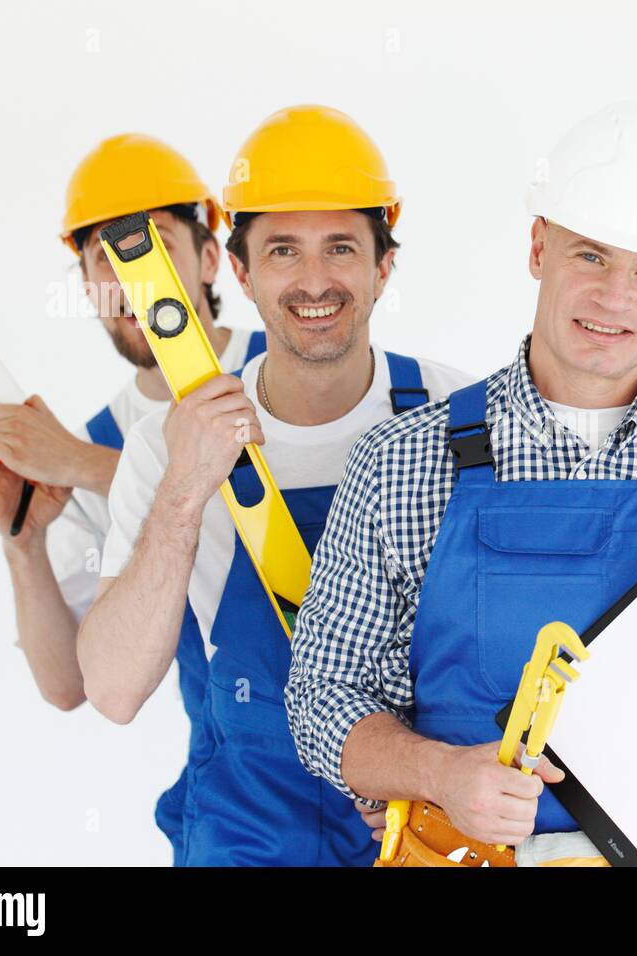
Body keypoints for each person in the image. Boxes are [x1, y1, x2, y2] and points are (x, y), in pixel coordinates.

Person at [286, 101, 637, 866]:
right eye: (590, 256)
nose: (614, 298)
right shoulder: (402, 462)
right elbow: (322, 697)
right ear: (538, 247)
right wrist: (441, 772)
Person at [76, 105, 473, 866]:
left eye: (342, 248)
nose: (314, 280)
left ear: (384, 266)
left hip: (425, 834)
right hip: (246, 838)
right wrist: (185, 491)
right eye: (284, 250)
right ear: (242, 271)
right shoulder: (170, 446)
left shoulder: (463, 424)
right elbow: (114, 690)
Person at [0, 133, 265, 863]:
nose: (135, 278)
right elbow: (69, 684)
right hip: (231, 803)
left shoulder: (285, 368)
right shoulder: (101, 435)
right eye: (108, 258)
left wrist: (77, 461)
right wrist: (24, 543)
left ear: (210, 257)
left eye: (155, 244)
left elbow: (267, 522)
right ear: (88, 287)